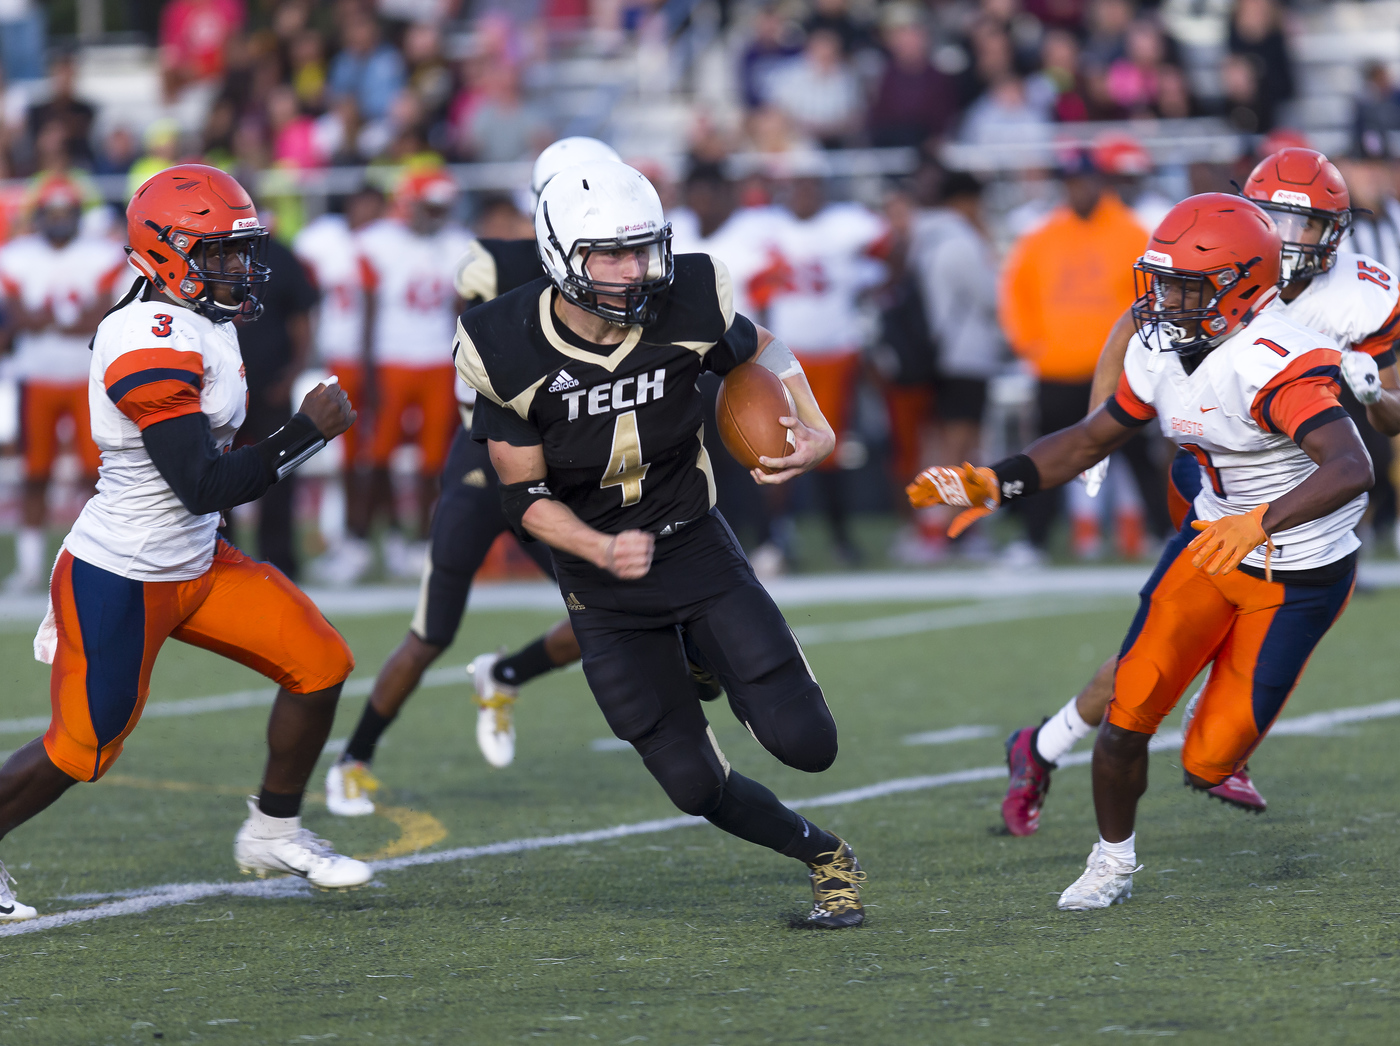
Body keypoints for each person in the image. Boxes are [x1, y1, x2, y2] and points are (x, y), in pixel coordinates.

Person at [915, 193, 1372, 910]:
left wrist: (1264, 522)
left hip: (1298, 572)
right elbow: (1092, 436)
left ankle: (1212, 721)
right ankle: (1112, 862)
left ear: (1241, 289)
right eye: (1160, 280)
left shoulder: (1274, 360)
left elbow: (1351, 468)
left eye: (1185, 285)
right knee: (1130, 707)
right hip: (1212, 550)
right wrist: (995, 484)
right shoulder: (1163, 347)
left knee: (1209, 759)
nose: (1163, 300)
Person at [459, 158, 866, 928]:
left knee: (809, 744)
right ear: (558, 252)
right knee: (691, 786)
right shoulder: (503, 344)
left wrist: (816, 425)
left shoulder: (686, 296)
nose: (633, 270)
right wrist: (597, 549)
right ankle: (823, 854)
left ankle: (703, 653)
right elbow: (526, 499)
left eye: (643, 249)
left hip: (692, 542)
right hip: (602, 579)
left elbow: (762, 350)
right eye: (609, 254)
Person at [0, 164, 369, 922]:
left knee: (320, 661)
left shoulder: (200, 319)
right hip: (124, 571)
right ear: (165, 252)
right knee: (84, 749)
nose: (238, 269)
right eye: (218, 254)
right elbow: (201, 482)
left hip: (197, 560)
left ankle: (273, 829)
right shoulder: (148, 334)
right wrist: (305, 434)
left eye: (240, 251)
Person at [998, 148, 1400, 836]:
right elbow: (1132, 329)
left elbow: (1392, 415)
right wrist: (1097, 431)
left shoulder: (1367, 293)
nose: (1283, 233)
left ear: (1335, 232)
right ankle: (1048, 748)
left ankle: (1053, 745)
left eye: (1298, 222)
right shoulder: (1213, 255)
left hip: (1309, 485)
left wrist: (1374, 392)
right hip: (1217, 470)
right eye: (1270, 215)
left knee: (1207, 644)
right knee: (1159, 652)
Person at [324, 138, 632, 814]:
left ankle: (506, 674)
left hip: (552, 464)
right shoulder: (492, 260)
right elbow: (478, 349)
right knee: (432, 630)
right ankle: (354, 756)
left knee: (606, 608)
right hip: (488, 459)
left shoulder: (622, 274)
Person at [997, 149, 1169, 565]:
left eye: (1086, 182)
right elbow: (1015, 293)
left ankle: (1164, 534)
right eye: (1071, 184)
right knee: (1044, 456)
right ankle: (1033, 541)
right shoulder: (1042, 236)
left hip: (1114, 372)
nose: (1079, 191)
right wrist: (1029, 344)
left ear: (1101, 184)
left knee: (1137, 456)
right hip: (1057, 370)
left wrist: (1140, 353)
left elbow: (1153, 297)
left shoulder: (1131, 233)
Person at [0, 175, 127, 592]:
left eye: (65, 212)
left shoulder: (100, 253)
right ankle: (32, 568)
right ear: (39, 217)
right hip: (35, 378)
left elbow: (102, 315)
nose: (58, 220)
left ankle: (102, 562)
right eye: (51, 213)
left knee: (97, 474)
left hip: (87, 381)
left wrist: (47, 321)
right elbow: (18, 317)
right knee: (35, 472)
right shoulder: (18, 255)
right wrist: (63, 321)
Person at [759, 170, 888, 565]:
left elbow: (887, 247)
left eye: (812, 185)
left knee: (830, 448)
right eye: (798, 185)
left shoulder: (844, 225)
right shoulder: (768, 228)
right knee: (775, 447)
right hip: (784, 357)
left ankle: (838, 536)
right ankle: (777, 538)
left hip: (835, 354)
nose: (805, 193)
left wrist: (865, 281)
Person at [352, 168, 475, 580]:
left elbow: (464, 309)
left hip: (440, 360)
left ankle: (423, 537)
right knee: (379, 453)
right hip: (392, 358)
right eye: (432, 206)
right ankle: (380, 537)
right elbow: (368, 311)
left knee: (434, 457)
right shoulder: (379, 243)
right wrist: (368, 368)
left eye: (443, 207)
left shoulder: (457, 243)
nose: (439, 215)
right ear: (410, 205)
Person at [296, 185, 386, 580]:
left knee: (375, 451)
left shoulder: (385, 242)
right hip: (335, 356)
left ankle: (370, 538)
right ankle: (348, 539)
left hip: (383, 358)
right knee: (341, 451)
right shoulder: (323, 239)